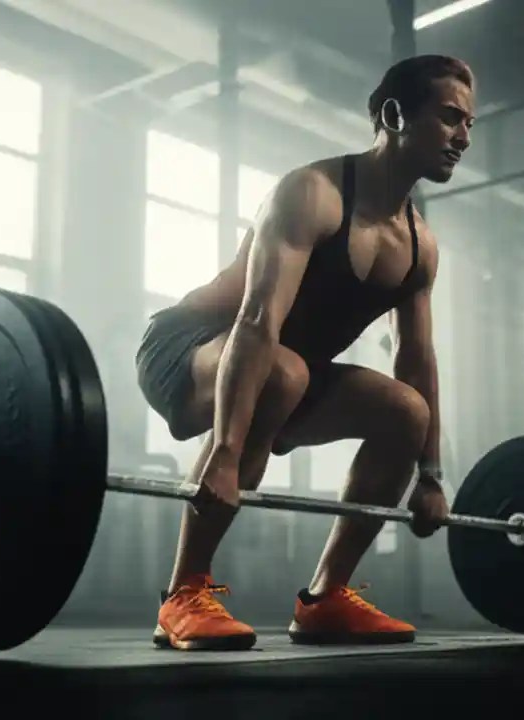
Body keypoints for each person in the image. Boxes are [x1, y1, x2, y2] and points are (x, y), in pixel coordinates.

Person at [134, 54, 475, 651]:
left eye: (470, 124)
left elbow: (418, 361)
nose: (463, 138)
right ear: (394, 114)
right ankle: (183, 594)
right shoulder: (312, 194)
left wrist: (431, 474)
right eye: (450, 118)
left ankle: (325, 599)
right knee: (283, 371)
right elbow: (259, 319)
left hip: (279, 367)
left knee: (407, 412)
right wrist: (226, 451)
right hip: (186, 349)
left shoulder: (420, 246)